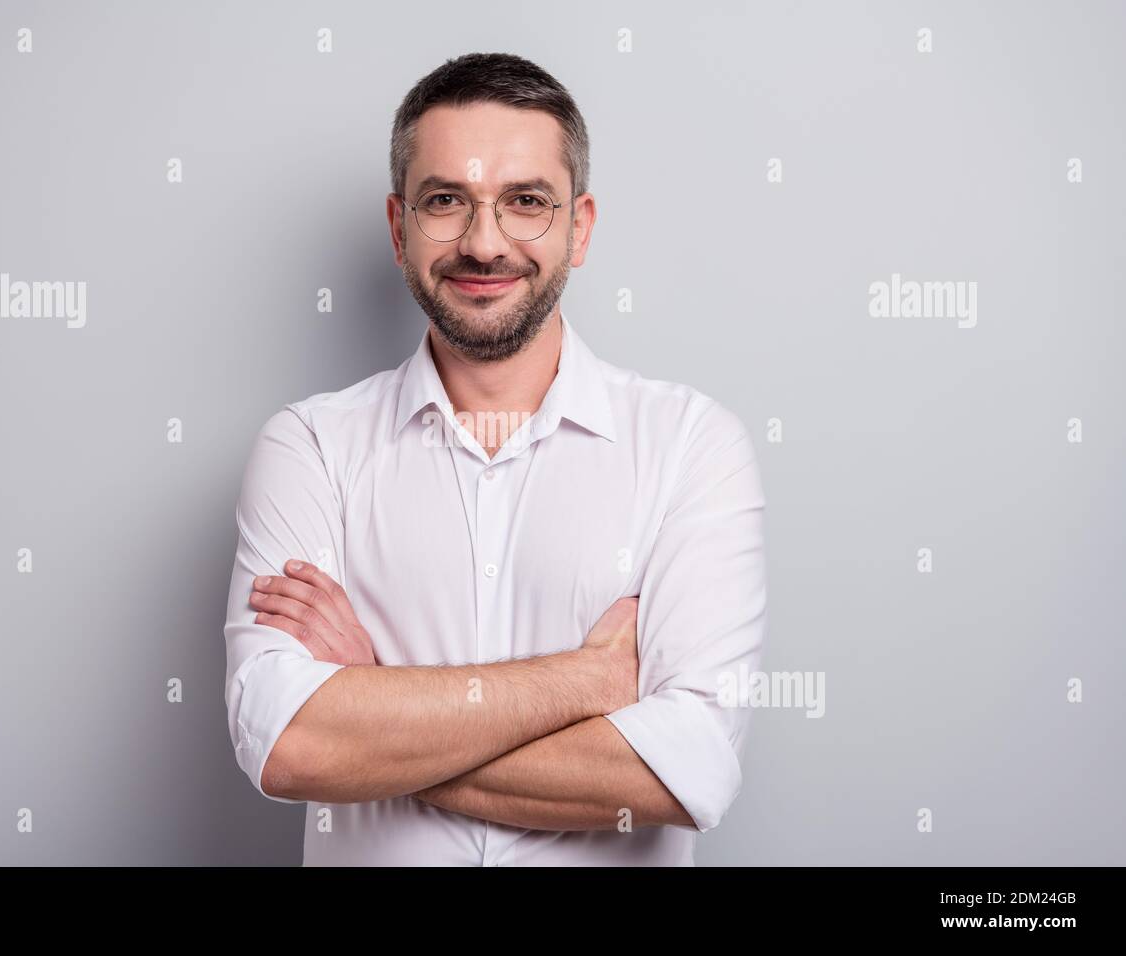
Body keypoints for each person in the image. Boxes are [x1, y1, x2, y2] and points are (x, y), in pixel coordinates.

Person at [223, 52, 767, 866]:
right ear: (398, 224)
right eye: (446, 201)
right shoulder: (309, 447)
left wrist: (377, 702)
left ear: (578, 228)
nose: (484, 244)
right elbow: (290, 746)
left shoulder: (692, 445)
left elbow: (689, 771)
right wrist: (585, 683)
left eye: (525, 203)